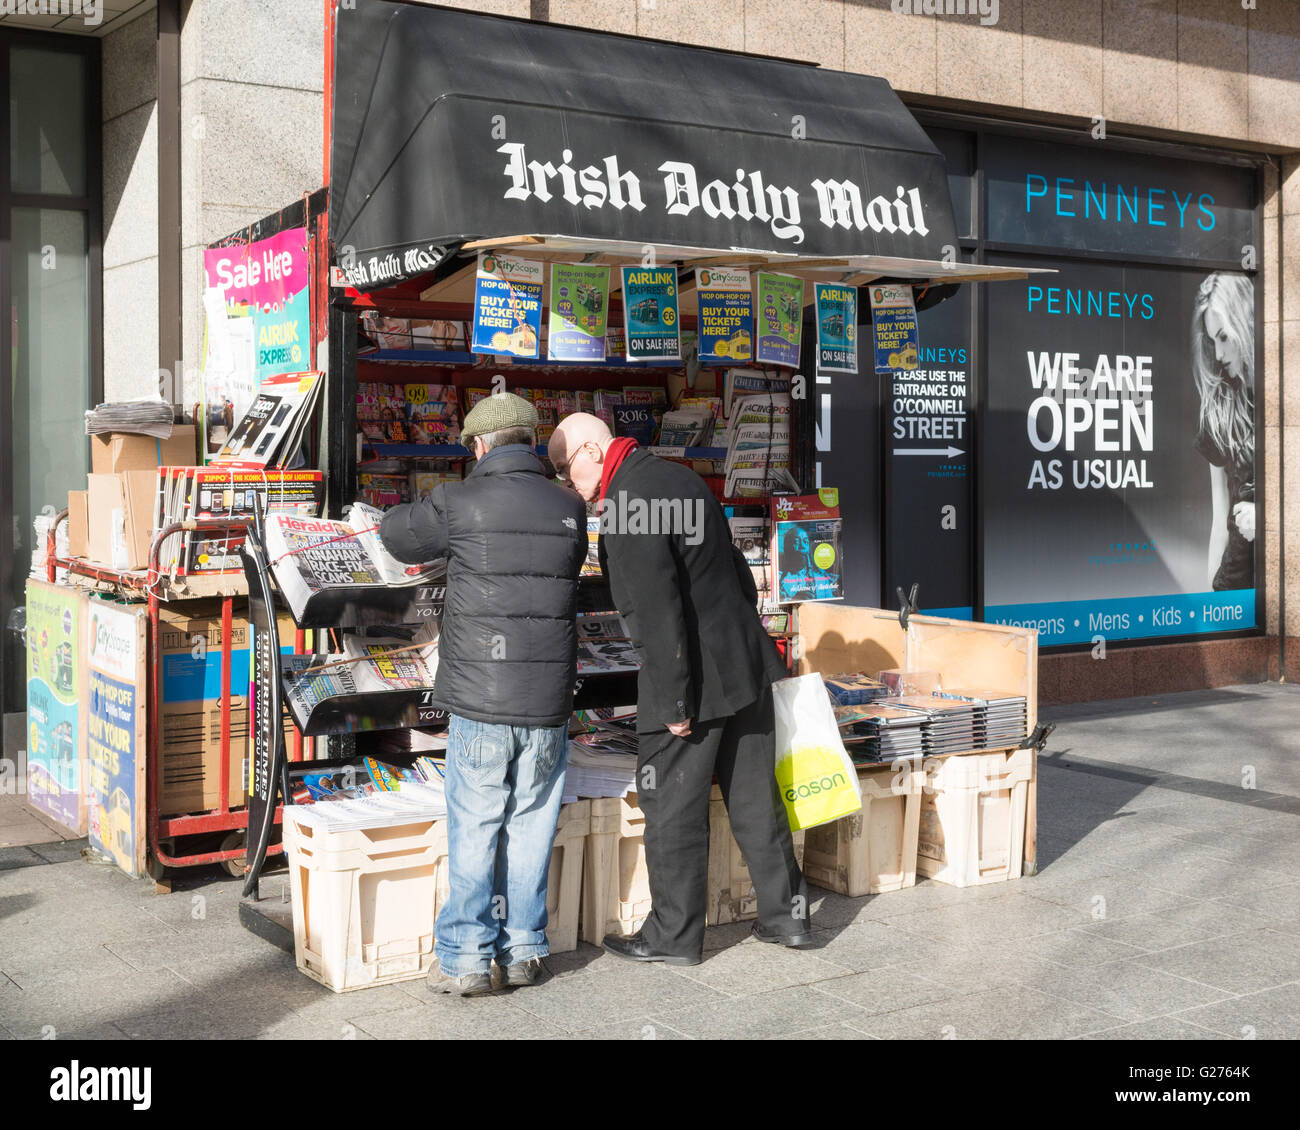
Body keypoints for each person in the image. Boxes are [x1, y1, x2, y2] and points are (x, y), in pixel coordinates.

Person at [549, 413, 810, 966]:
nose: (568, 482)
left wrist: (671, 702)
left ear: (594, 451)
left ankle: (673, 936)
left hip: (693, 681)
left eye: (566, 466)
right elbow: (737, 572)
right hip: (744, 665)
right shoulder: (681, 479)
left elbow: (654, 613)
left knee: (671, 804)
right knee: (755, 796)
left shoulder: (627, 505)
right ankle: (788, 917)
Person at [380, 392, 586, 996]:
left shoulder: (457, 501)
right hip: (547, 700)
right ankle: (524, 949)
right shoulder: (569, 507)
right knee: (530, 822)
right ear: (530, 439)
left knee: (475, 822)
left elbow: (396, 535)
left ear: (478, 446)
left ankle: (467, 957)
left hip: (482, 698)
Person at [1191, 272, 1255, 592]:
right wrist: (1210, 613)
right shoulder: (1218, 413)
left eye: (1225, 337)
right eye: (1212, 340)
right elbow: (1220, 524)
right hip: (1232, 588)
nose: (1217, 354)